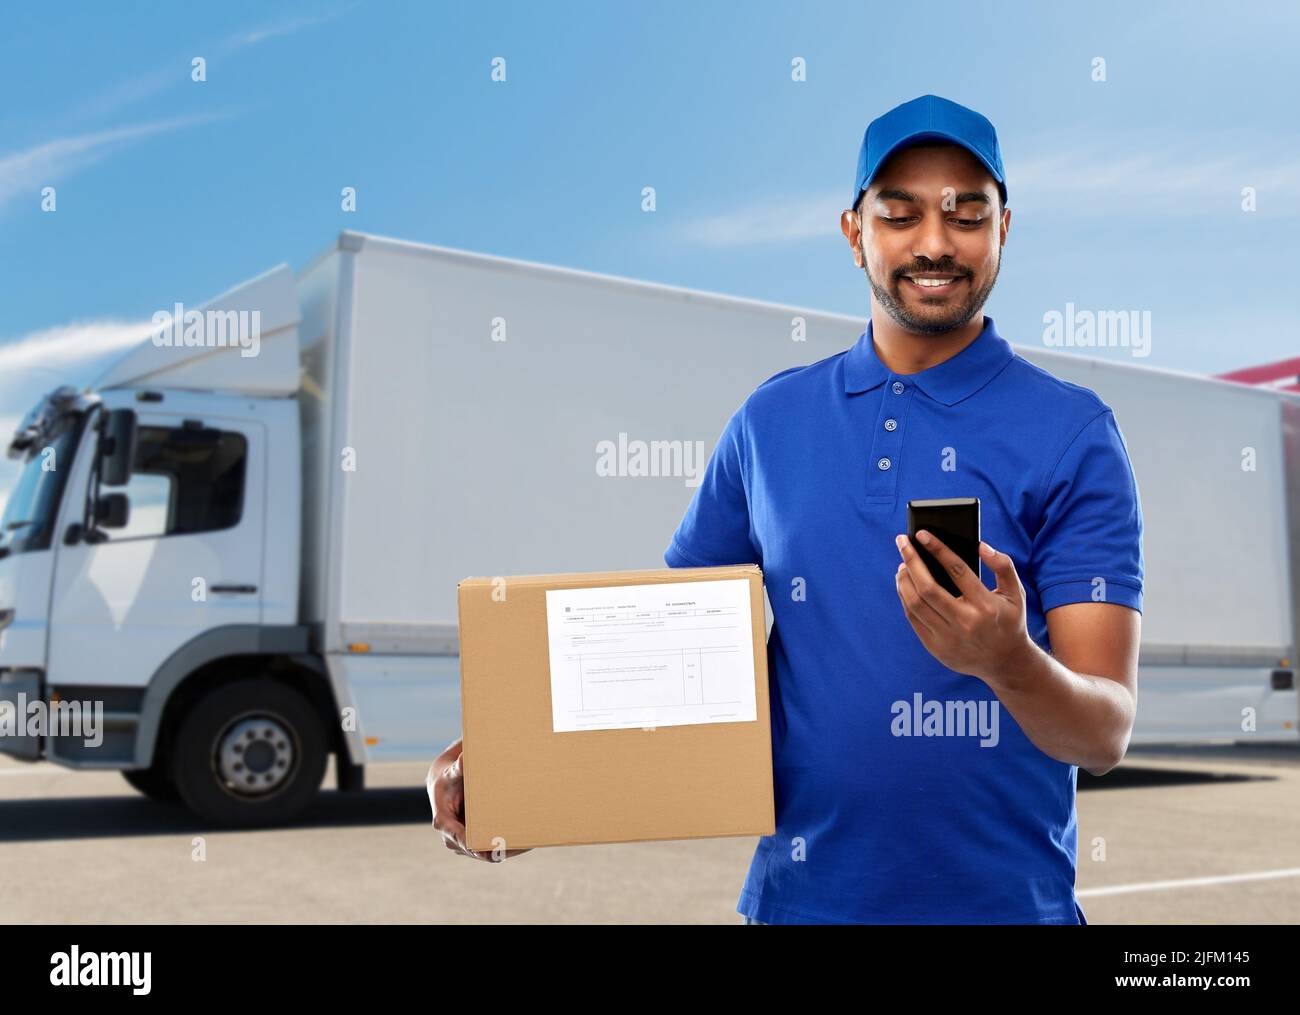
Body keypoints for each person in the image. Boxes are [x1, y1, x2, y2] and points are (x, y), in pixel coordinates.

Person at [430, 94, 1143, 926]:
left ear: (1004, 230)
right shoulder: (771, 423)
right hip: (798, 907)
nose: (935, 243)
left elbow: (1103, 734)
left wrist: (1007, 659)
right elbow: (662, 654)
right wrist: (517, 763)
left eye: (967, 214)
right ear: (854, 232)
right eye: (900, 214)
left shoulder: (1072, 432)